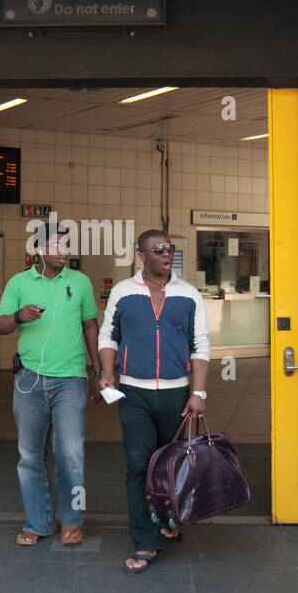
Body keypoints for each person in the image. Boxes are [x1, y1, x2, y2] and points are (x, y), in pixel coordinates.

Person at [98, 229, 210, 572]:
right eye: (158, 249)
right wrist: (107, 371)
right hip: (134, 393)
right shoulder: (123, 292)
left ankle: (167, 520)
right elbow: (108, 335)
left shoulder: (189, 295)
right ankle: (146, 540)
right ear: (141, 255)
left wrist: (198, 392)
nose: (166, 254)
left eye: (169, 249)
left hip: (177, 392)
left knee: (171, 465)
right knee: (138, 466)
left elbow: (201, 344)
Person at [0, 224, 102, 547]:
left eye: (67, 245)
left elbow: (90, 326)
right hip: (29, 379)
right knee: (30, 454)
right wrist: (18, 317)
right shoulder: (19, 283)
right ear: (39, 250)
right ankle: (39, 523)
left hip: (70, 378)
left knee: (70, 451)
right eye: (58, 245)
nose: (65, 250)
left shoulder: (80, 282)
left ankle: (72, 520)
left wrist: (99, 371)